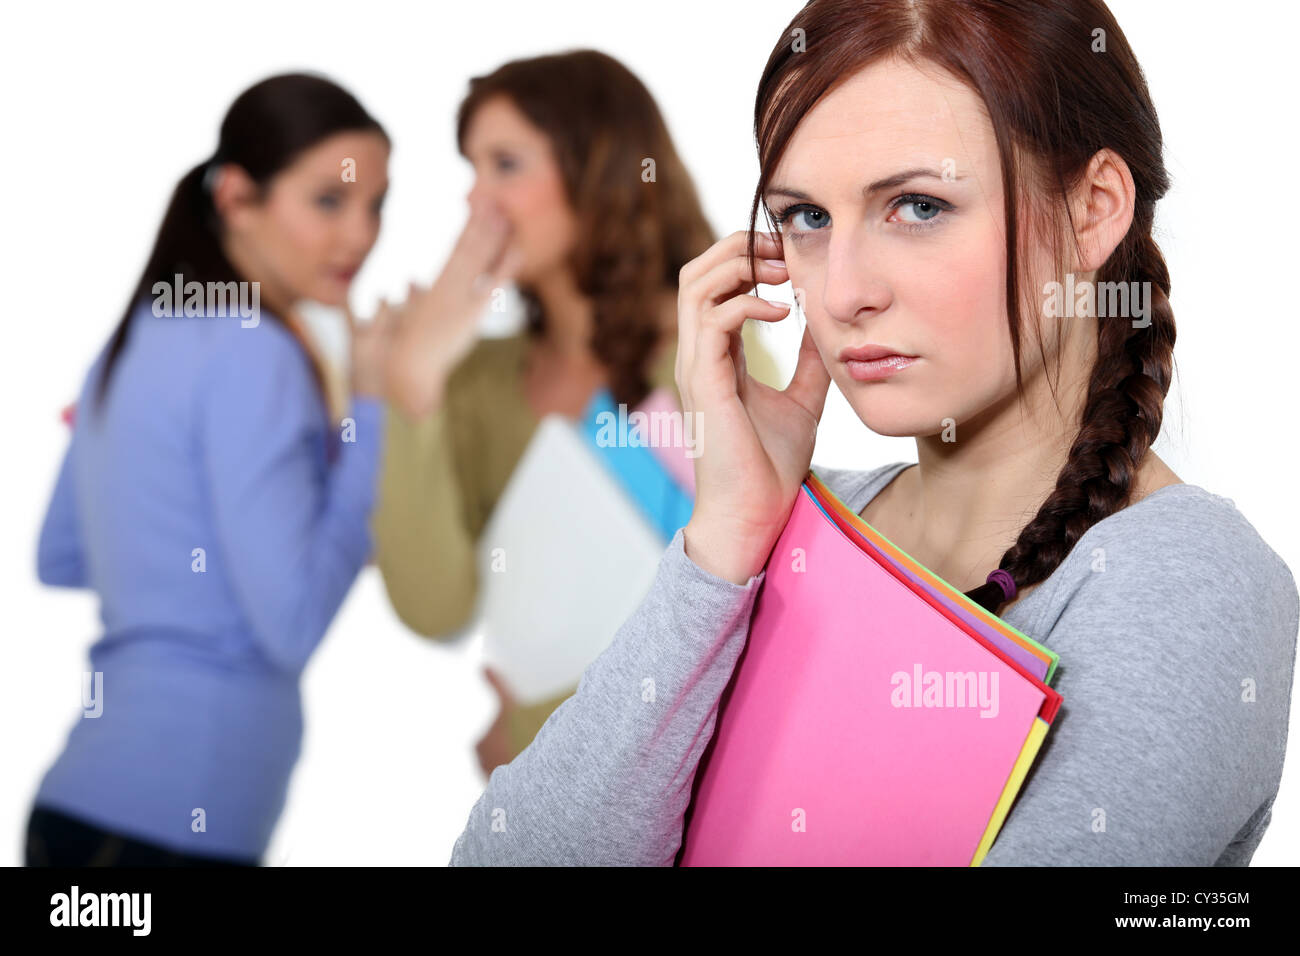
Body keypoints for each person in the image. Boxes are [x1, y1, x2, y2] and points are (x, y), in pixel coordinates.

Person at [447, 0, 1299, 865]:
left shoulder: (1187, 573)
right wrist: (724, 541)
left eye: (918, 206)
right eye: (808, 218)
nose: (845, 290)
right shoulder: (792, 524)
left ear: (1092, 209)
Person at [372, 49, 784, 775]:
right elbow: (433, 608)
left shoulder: (708, 345)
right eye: (472, 170)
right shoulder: (474, 383)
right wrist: (412, 383)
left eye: (506, 164)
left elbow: (730, 613)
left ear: (599, 169)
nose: (478, 201)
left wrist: (534, 730)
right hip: (542, 818)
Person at [28, 73, 394, 866]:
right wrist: (371, 411)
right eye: (328, 202)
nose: (360, 236)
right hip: (169, 832)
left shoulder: (132, 340)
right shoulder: (256, 353)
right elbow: (292, 623)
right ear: (235, 196)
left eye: (375, 204)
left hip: (72, 814)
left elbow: (61, 556)